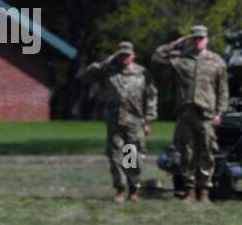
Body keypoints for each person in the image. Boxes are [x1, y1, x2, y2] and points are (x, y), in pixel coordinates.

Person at [151, 24, 229, 202]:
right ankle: (190, 190)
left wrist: (220, 113)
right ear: (190, 40)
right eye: (194, 38)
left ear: (207, 40)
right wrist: (176, 44)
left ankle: (205, 191)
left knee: (207, 153)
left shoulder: (216, 61)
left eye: (201, 38)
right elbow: (156, 57)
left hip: (207, 114)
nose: (198, 41)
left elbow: (223, 90)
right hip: (186, 113)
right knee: (187, 153)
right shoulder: (180, 60)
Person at [76, 41, 157, 202]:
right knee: (115, 156)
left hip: (134, 121)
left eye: (127, 55)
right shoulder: (108, 71)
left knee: (131, 155)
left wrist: (148, 119)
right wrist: (104, 63)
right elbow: (85, 77)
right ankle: (120, 189)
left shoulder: (142, 73)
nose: (124, 58)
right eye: (121, 55)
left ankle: (133, 188)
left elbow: (151, 95)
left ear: (133, 55)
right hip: (114, 120)